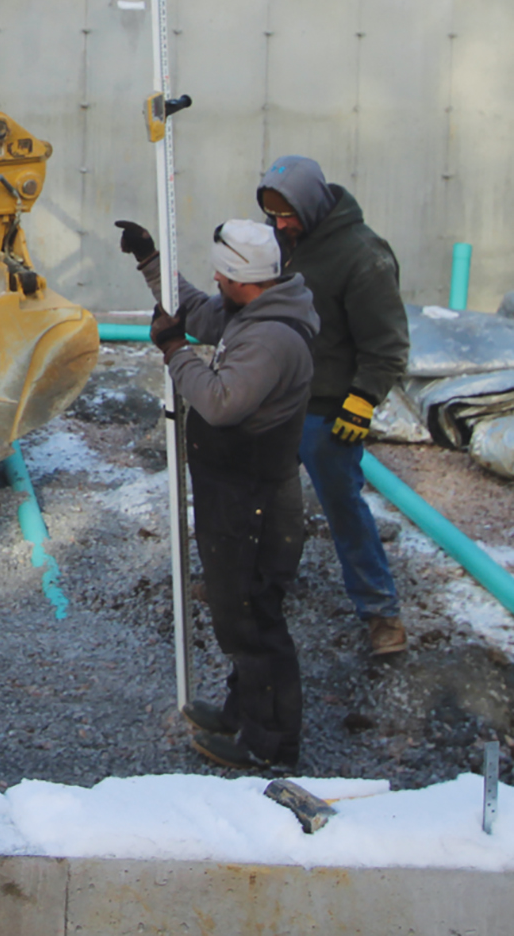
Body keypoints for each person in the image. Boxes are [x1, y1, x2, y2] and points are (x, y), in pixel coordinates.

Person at [116, 216, 318, 770]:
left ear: (240, 278)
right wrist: (150, 262)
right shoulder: (258, 309)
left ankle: (269, 746)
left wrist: (175, 351)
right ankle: (243, 712)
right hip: (240, 492)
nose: (215, 281)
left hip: (251, 501)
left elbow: (220, 401)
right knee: (241, 613)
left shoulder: (271, 338)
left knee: (252, 619)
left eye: (221, 274)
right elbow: (201, 311)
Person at [256, 156, 410, 658]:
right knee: (262, 498)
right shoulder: (279, 243)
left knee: (343, 508)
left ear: (314, 203)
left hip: (327, 410)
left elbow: (386, 344)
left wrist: (362, 399)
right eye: (272, 216)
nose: (279, 226)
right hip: (277, 396)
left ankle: (381, 613)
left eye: (287, 215)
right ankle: (262, 584)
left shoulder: (363, 256)